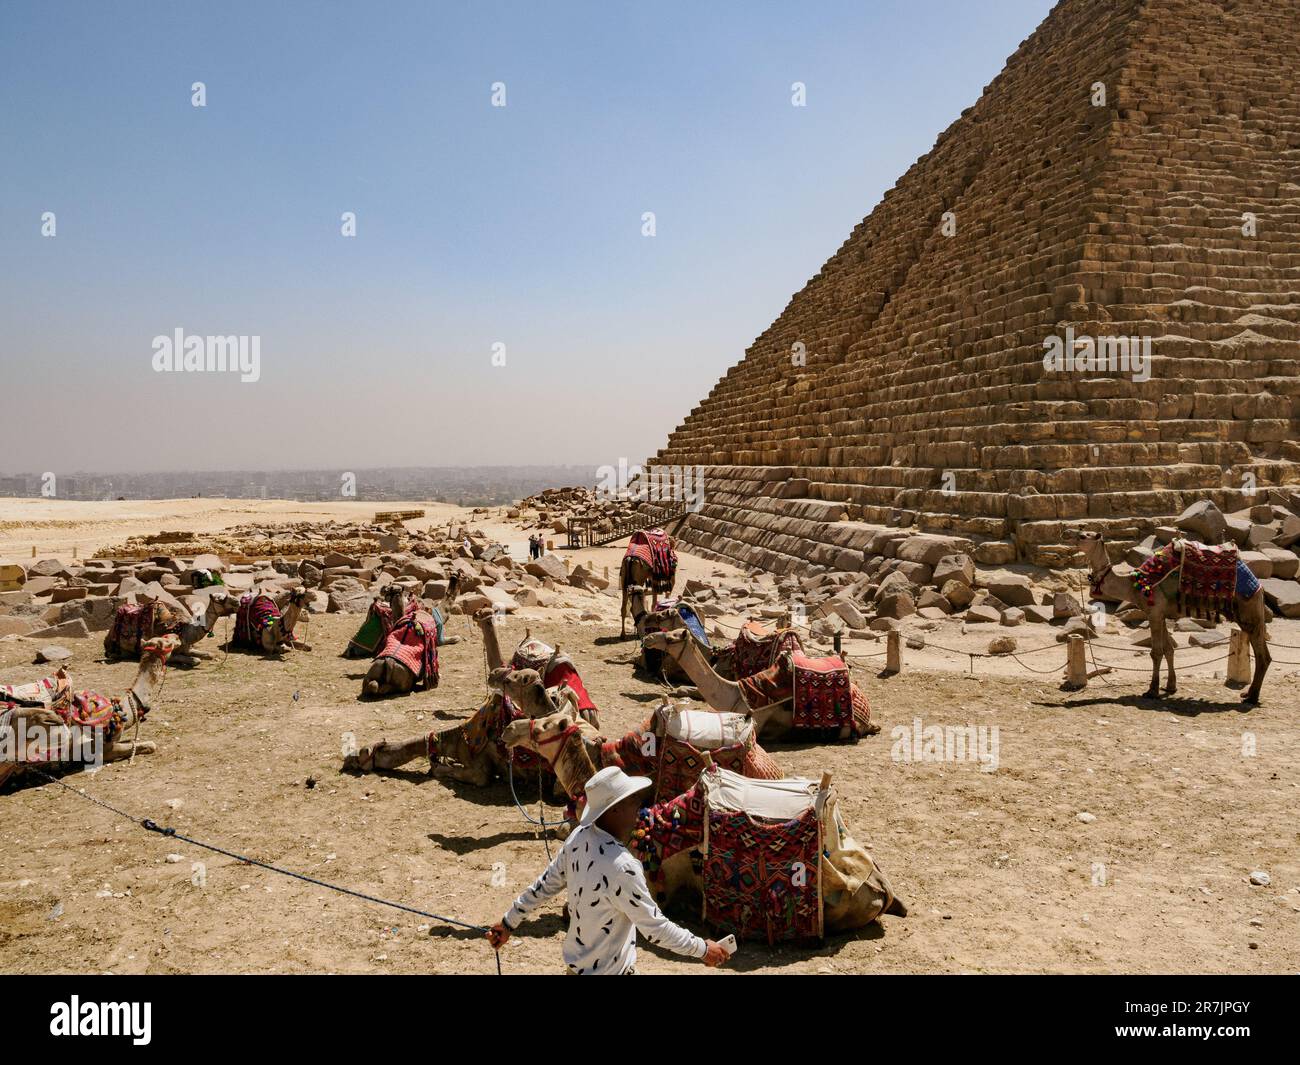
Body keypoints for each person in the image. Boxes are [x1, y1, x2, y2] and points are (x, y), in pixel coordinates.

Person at [487, 766, 730, 974]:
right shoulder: (622, 867)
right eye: (632, 801)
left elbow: (544, 885)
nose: (638, 808)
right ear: (614, 809)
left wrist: (508, 922)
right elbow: (654, 929)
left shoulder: (578, 838)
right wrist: (703, 949)